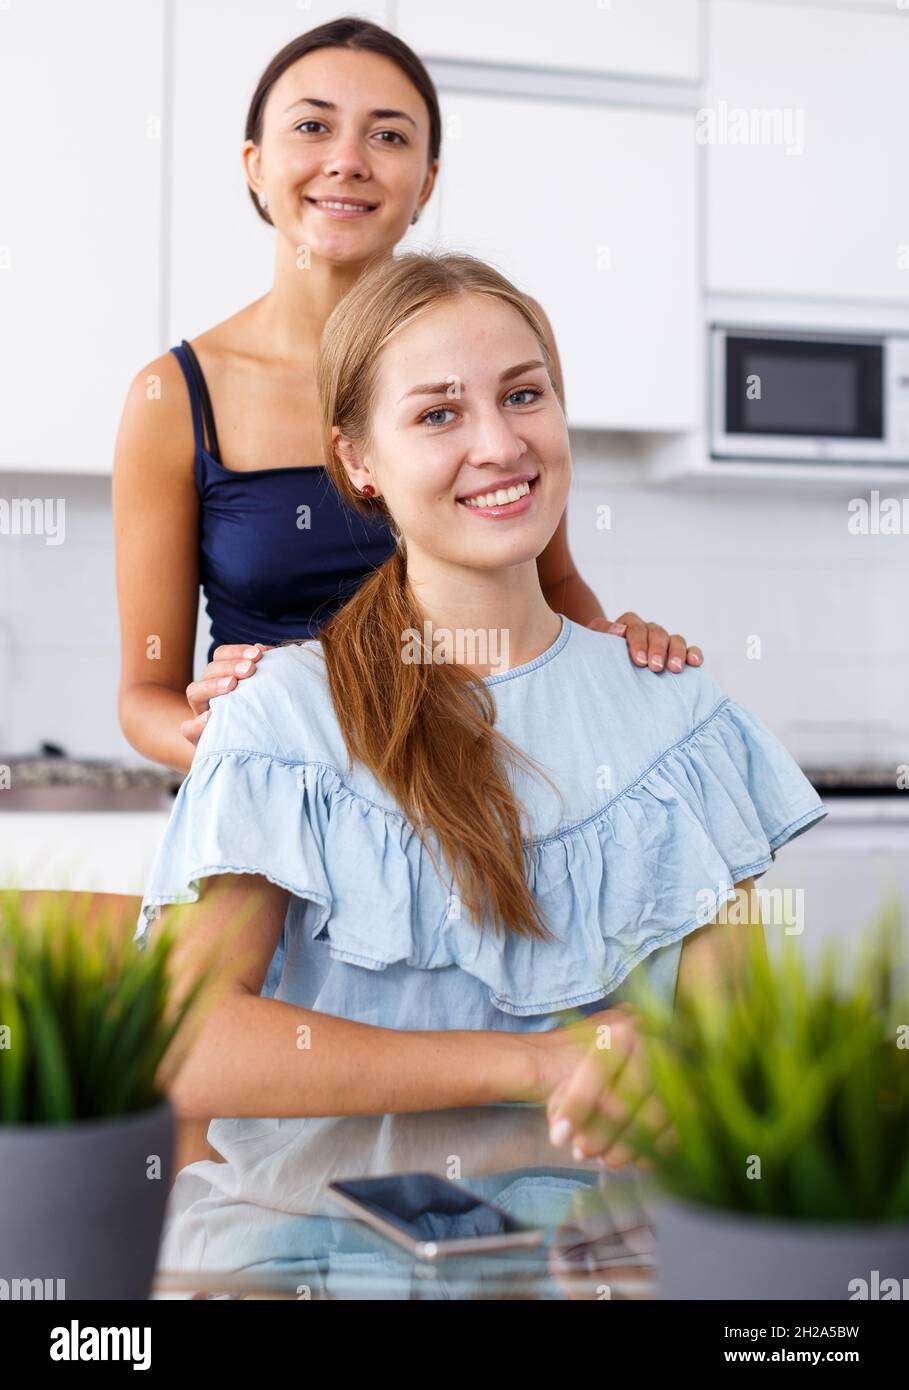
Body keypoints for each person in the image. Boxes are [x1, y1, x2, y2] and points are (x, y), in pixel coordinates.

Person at [136, 252, 826, 1205]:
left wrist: (676, 1082)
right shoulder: (282, 714)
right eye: (438, 413)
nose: (499, 445)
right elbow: (184, 1041)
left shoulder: (683, 717)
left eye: (523, 395)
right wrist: (532, 1064)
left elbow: (740, 1058)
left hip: (609, 1255)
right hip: (325, 1255)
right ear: (358, 462)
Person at [113, 16, 703, 784]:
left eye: (388, 137)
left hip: (486, 784)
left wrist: (613, 657)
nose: (348, 161)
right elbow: (144, 696)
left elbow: (554, 585)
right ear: (255, 165)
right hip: (278, 800)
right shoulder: (174, 395)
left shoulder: (503, 334)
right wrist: (237, 731)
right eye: (312, 126)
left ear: (426, 181)